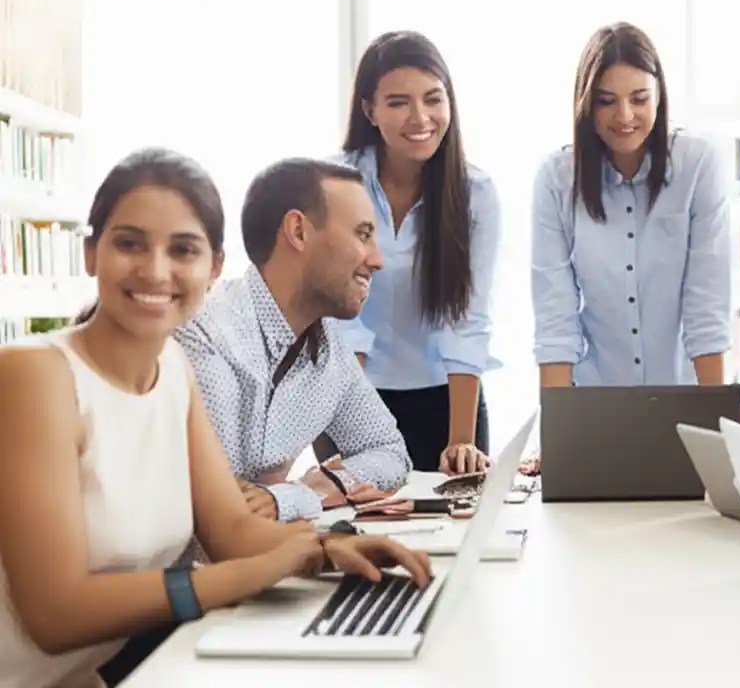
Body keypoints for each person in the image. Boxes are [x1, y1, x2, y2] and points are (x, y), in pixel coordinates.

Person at [0, 148, 431, 688]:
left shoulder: (171, 370)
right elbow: (54, 616)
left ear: (214, 267)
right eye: (129, 243)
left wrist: (328, 551)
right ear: (90, 254)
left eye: (183, 250)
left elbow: (229, 528)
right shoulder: (32, 374)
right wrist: (244, 575)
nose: (156, 270)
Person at [174, 158, 414, 524]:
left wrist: (309, 490)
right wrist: (296, 498)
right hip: (189, 575)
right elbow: (226, 507)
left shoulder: (329, 345)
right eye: (363, 234)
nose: (377, 260)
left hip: (259, 564)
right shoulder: (206, 333)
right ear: (299, 231)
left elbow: (391, 453)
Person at [531, 22, 732, 389]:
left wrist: (715, 426)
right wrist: (556, 435)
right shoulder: (555, 180)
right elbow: (555, 324)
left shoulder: (699, 165)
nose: (624, 116)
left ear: (659, 97)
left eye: (639, 99)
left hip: (684, 395)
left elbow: (706, 312)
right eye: (607, 101)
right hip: (597, 405)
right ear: (587, 104)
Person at [334, 30, 500, 474]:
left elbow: (469, 320)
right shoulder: (338, 184)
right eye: (398, 102)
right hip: (356, 396)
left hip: (449, 403)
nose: (420, 117)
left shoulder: (476, 194)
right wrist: (353, 429)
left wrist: (461, 440)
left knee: (455, 534)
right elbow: (339, 321)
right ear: (369, 109)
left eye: (433, 99)